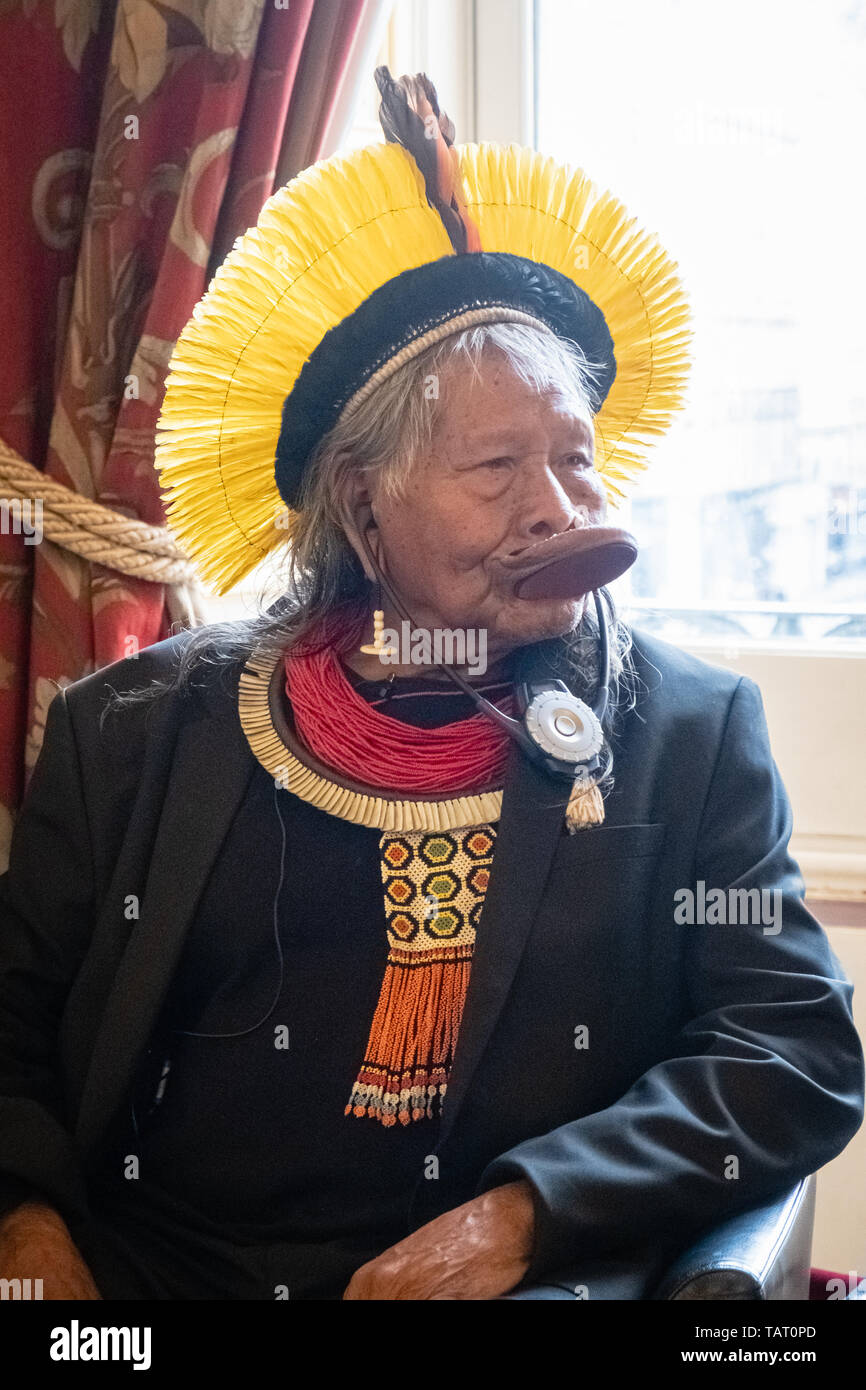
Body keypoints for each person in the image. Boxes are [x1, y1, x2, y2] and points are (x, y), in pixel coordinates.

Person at [0, 68, 862, 1301]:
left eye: (575, 458)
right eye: (496, 466)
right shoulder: (130, 735)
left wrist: (525, 1213)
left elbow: (790, 1046)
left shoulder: (688, 734)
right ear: (363, 507)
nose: (557, 508)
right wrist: (28, 1237)